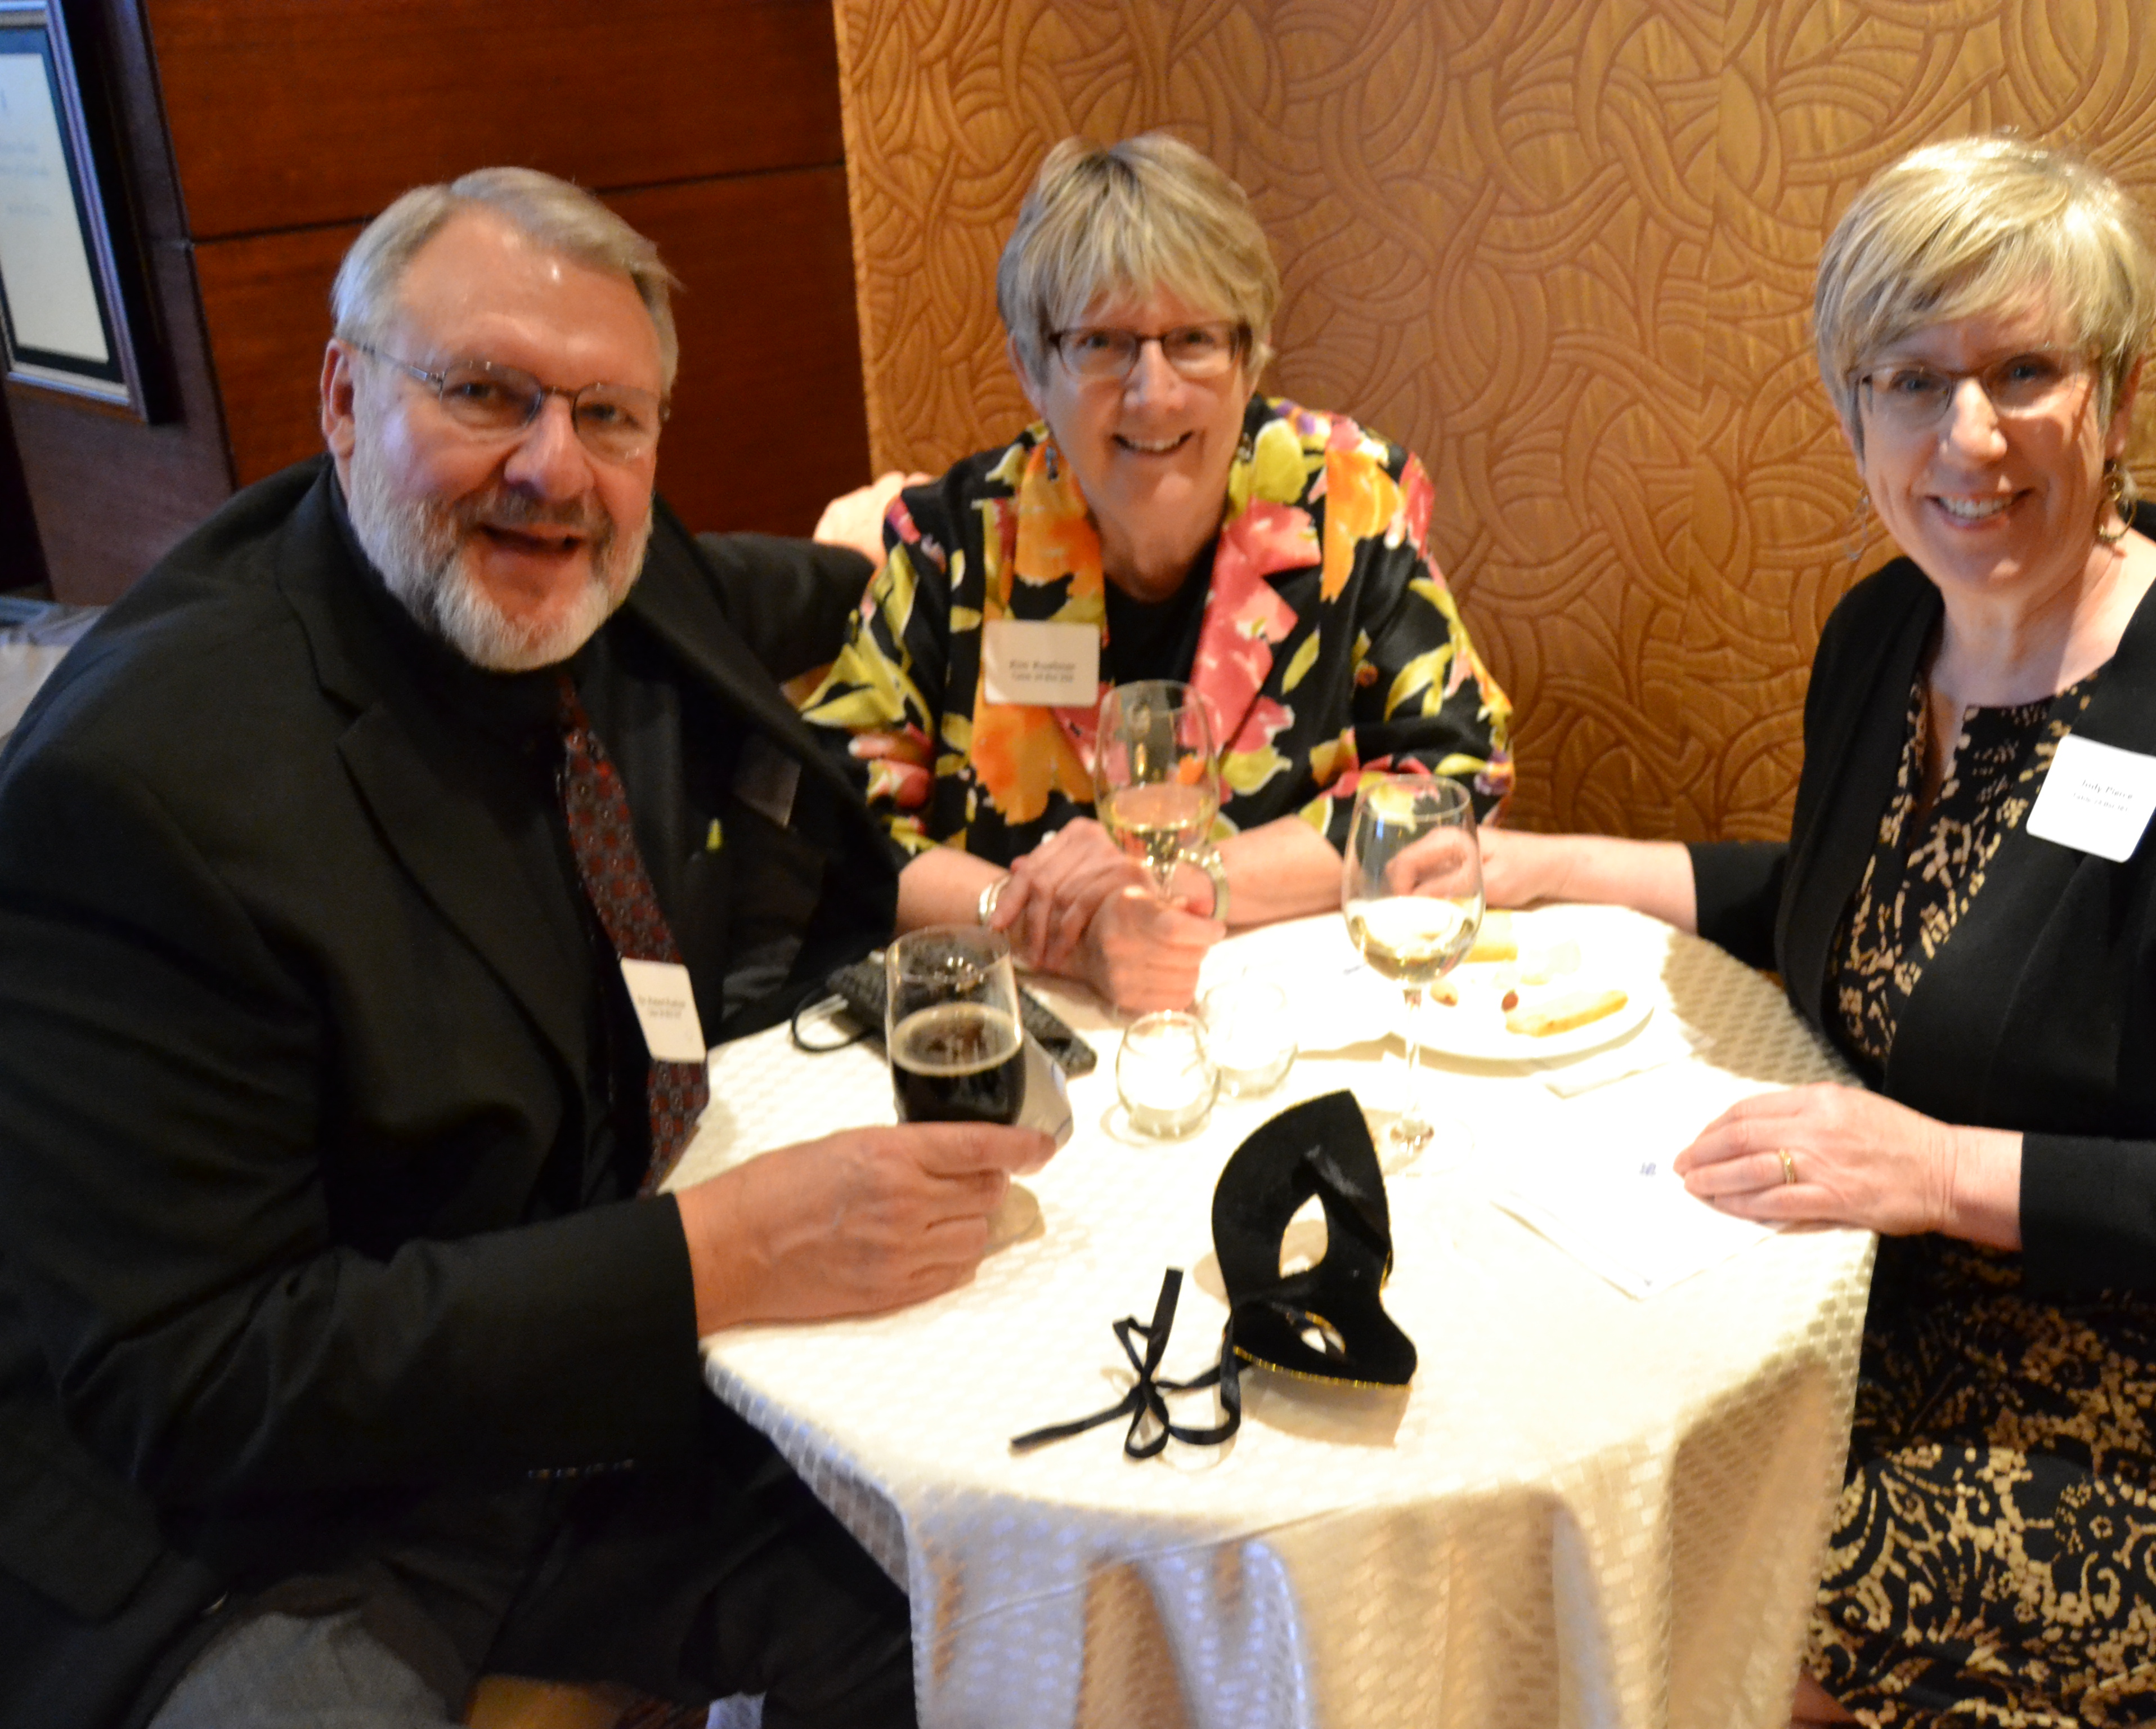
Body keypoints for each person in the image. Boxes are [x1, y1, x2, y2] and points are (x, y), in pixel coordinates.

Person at [0, 168, 1055, 1729]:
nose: (555, 468)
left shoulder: (612, 576)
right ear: (345, 399)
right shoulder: (145, 786)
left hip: (602, 1372)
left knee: (988, 1598)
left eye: (610, 418)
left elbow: (786, 591)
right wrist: (722, 1259)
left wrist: (936, 550)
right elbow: (197, 1375)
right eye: (487, 392)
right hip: (272, 1513)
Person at [1483, 138, 2156, 1727]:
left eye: (2025, 370)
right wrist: (1542, 865)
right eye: (1911, 379)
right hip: (1943, 1300)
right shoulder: (1887, 637)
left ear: (2120, 399)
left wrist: (1937, 1173)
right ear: (1851, 413)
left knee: (1726, 1608)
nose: (1970, 434)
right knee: (1593, 1466)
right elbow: (1860, 903)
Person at [801, 132, 1516, 1013]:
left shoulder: (1345, 510)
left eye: (1194, 340)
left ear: (1250, 358)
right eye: (1102, 343)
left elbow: (1456, 780)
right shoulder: (957, 548)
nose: (1155, 392)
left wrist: (1194, 883)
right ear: (1030, 365)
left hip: (1278, 1016)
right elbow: (836, 825)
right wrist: (1027, 916)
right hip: (1020, 1028)